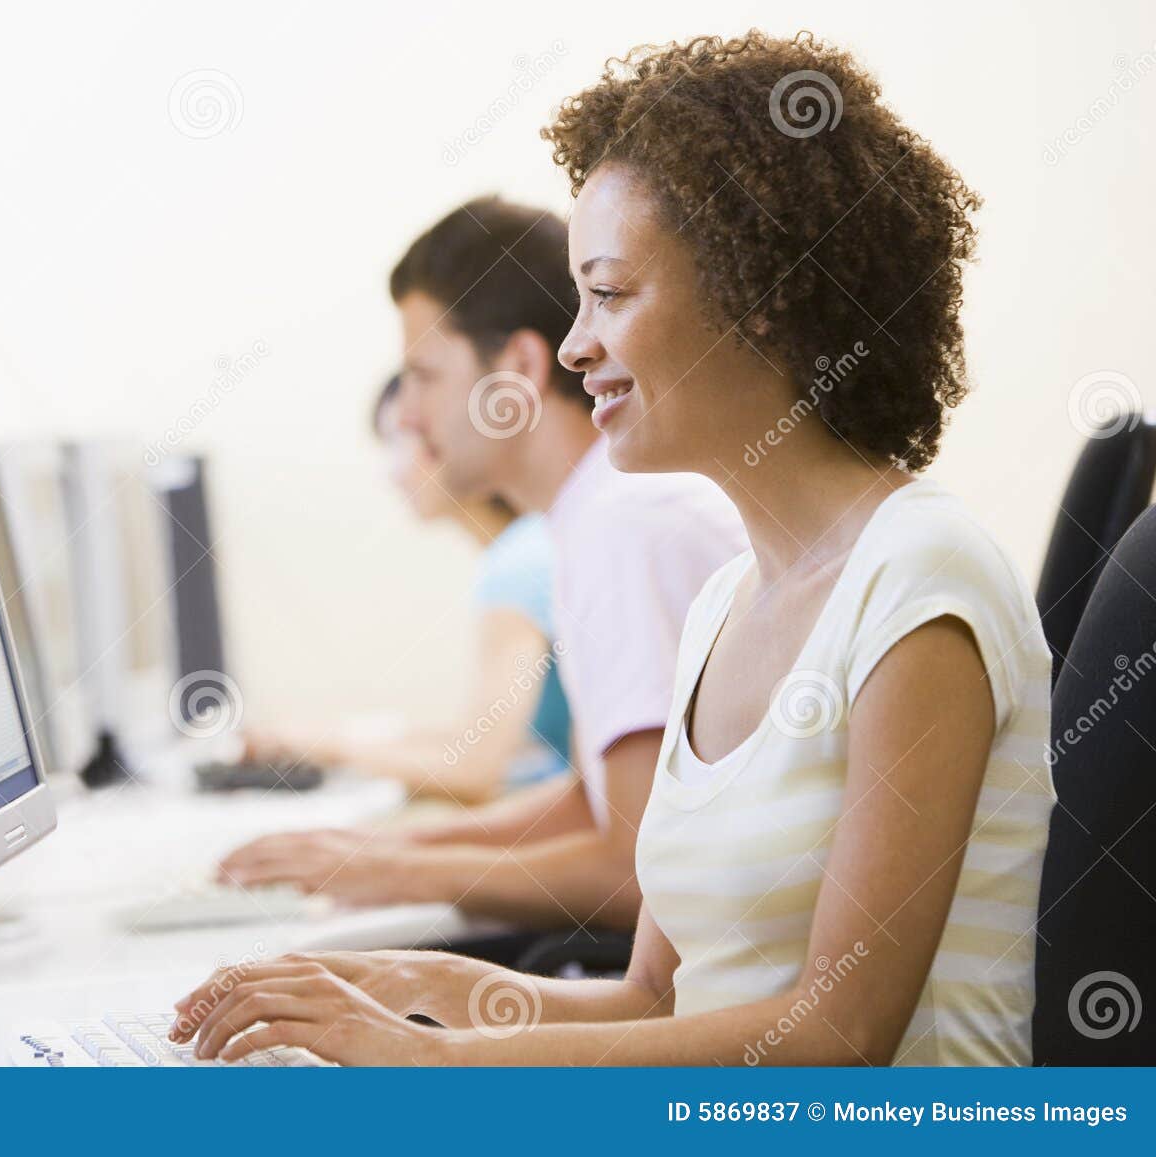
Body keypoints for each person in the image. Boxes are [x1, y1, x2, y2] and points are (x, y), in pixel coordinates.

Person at [178, 30, 1054, 1066]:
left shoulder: (919, 578)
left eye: (611, 293)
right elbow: (653, 996)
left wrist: (434, 1060)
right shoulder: (728, 602)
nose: (574, 343)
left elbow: (838, 1037)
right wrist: (413, 985)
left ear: (759, 294)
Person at [217, 197, 747, 929]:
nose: (404, 416)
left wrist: (397, 870)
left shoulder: (624, 522)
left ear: (519, 369)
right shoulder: (591, 513)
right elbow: (599, 797)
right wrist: (380, 850)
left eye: (423, 376)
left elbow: (637, 872)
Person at [241, 373, 573, 803]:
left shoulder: (517, 563)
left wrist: (334, 748)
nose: (391, 473)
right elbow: (485, 740)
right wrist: (331, 740)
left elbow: (474, 771)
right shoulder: (531, 543)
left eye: (401, 440)